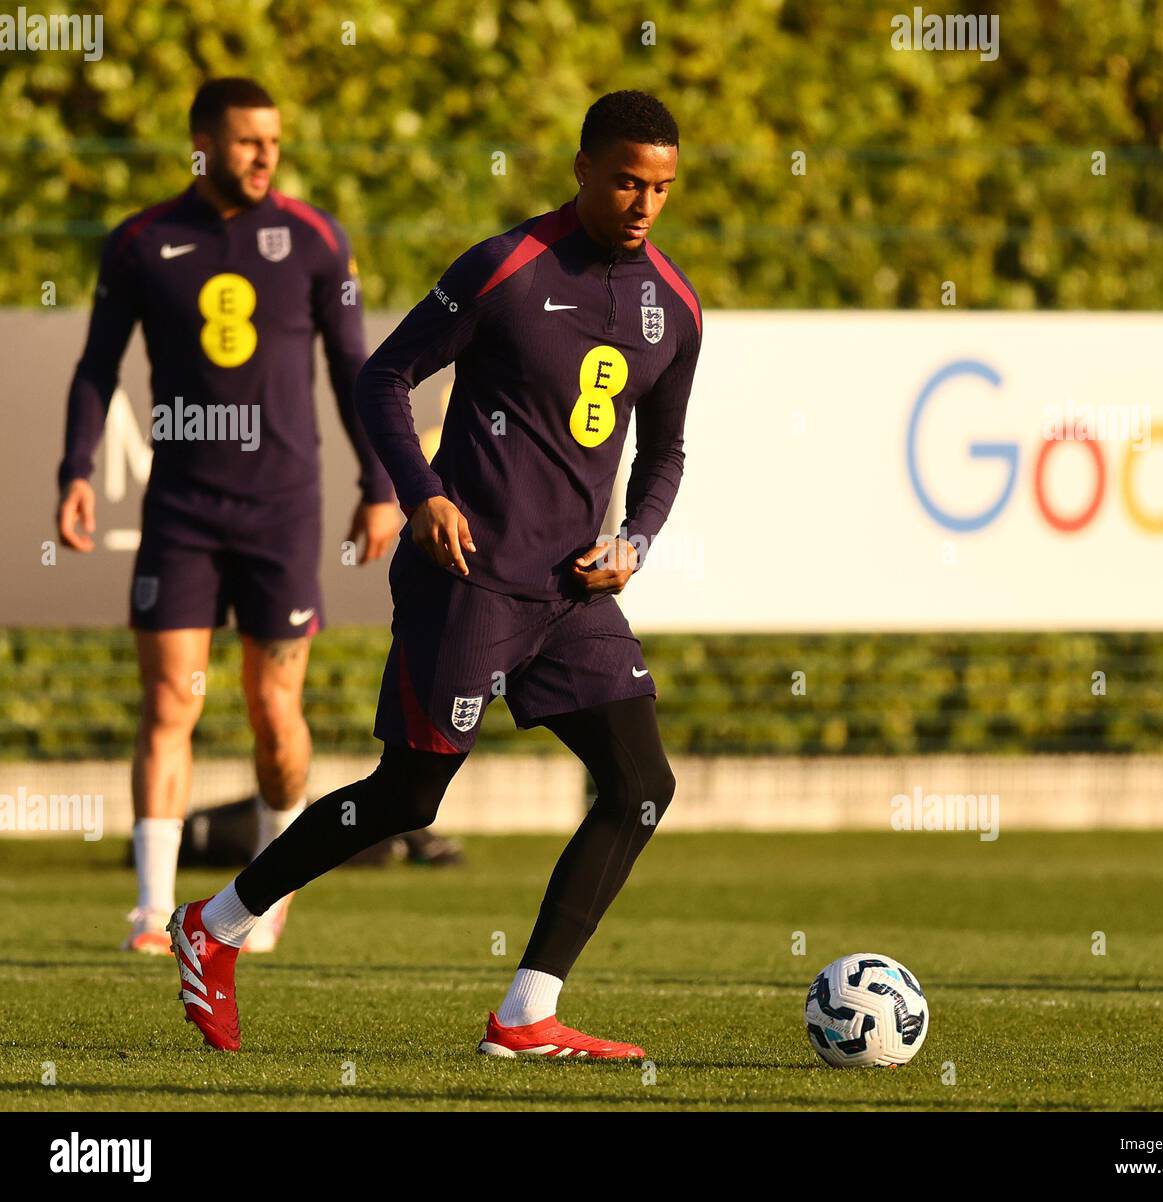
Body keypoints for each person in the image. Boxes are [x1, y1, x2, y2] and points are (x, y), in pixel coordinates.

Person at [168, 89, 702, 1059]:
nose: (641, 202)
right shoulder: (505, 267)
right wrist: (419, 491)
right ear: (582, 167)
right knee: (409, 797)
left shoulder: (676, 305)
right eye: (626, 179)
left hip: (573, 592)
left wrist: (637, 538)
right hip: (467, 578)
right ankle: (216, 922)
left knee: (639, 785)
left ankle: (526, 1009)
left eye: (661, 186)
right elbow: (383, 376)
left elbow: (665, 451)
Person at [56, 77, 402, 954]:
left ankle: (267, 892)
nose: (264, 157)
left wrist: (381, 483)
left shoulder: (318, 239)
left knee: (272, 708)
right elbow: (97, 367)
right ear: (202, 144)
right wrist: (77, 470)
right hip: (179, 509)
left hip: (284, 511)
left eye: (274, 142)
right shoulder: (141, 241)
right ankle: (150, 912)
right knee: (170, 698)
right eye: (248, 141)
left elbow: (355, 367)